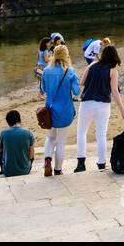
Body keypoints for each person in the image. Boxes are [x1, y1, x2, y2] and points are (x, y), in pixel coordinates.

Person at [74, 44, 124, 172]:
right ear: (115, 56)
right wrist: (123, 110)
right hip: (103, 105)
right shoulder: (113, 71)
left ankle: (81, 163)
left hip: (87, 103)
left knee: (82, 132)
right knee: (101, 135)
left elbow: (82, 82)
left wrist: (92, 71)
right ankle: (101, 163)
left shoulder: (92, 66)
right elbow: (115, 91)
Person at [40, 43, 80, 176]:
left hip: (50, 110)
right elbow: (76, 91)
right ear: (66, 56)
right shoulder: (70, 71)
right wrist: (74, 80)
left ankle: (47, 160)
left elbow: (44, 89)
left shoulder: (46, 71)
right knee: (61, 141)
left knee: (50, 138)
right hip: (65, 111)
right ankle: (57, 169)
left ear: (54, 55)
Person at [0, 109, 35, 177]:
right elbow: (31, 156)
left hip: (8, 172)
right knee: (29, 148)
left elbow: (0, 150)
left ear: (8, 122)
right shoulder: (28, 133)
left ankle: (3, 169)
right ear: (20, 120)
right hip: (25, 171)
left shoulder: (3, 133)